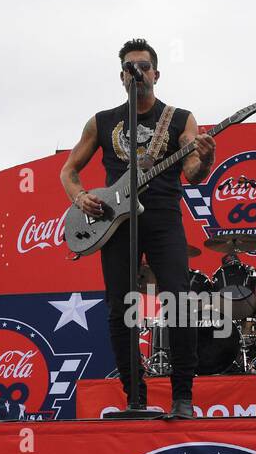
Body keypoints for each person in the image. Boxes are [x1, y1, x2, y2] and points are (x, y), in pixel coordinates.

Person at [59, 38, 216, 418]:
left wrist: (206, 159)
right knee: (120, 309)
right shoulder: (102, 121)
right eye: (131, 67)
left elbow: (192, 173)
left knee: (177, 301)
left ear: (156, 73)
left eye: (144, 66)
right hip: (114, 222)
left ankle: (182, 398)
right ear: (121, 76)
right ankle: (135, 396)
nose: (138, 72)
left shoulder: (180, 119)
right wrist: (81, 199)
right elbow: (68, 171)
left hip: (163, 219)